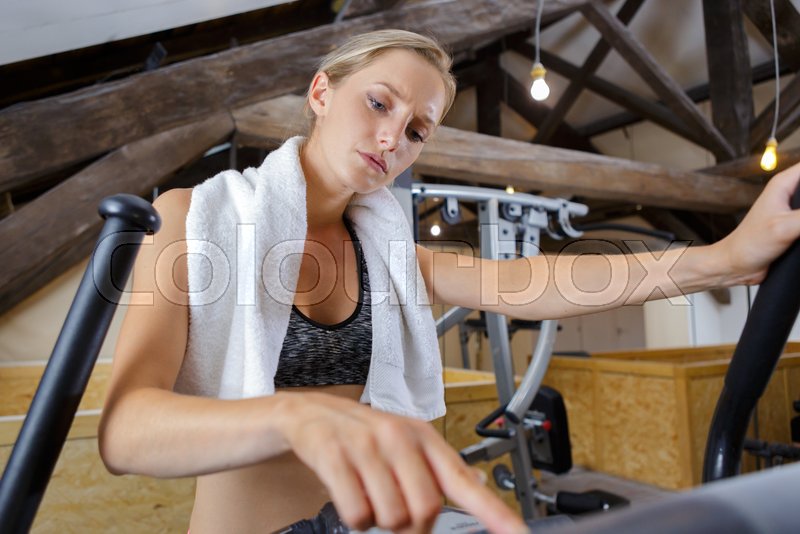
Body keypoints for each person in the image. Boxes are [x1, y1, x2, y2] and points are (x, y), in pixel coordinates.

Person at [98, 29, 800, 534]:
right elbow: (126, 432)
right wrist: (297, 414)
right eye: (379, 104)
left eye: (417, 130)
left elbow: (530, 283)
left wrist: (726, 258)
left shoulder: (389, 253)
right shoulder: (193, 216)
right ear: (321, 90)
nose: (393, 138)